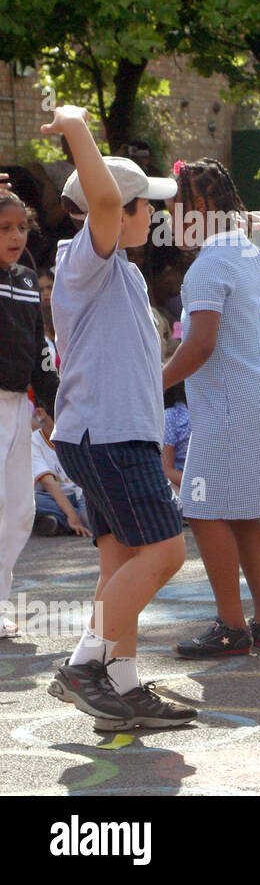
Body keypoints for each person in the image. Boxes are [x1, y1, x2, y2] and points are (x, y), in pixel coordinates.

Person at [42, 106, 196, 731]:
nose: (154, 214)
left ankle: (122, 687)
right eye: (145, 205)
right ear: (117, 210)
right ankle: (85, 665)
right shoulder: (88, 257)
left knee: (122, 561)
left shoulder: (122, 270)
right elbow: (101, 201)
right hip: (106, 438)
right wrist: (78, 126)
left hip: (109, 434)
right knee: (165, 553)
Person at [162, 158, 260, 659]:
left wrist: (151, 384)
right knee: (243, 514)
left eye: (173, 209)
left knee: (202, 507)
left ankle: (231, 627)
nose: (167, 220)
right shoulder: (242, 250)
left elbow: (198, 346)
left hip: (225, 403)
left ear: (197, 207)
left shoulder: (206, 266)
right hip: (254, 392)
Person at [1, 189, 59, 634]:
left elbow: (40, 345)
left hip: (19, 406)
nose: (16, 236)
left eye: (22, 227)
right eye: (4, 228)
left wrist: (51, 399)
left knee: (19, 508)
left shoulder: (25, 279)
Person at [31, 405, 91, 538]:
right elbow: (47, 482)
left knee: (92, 502)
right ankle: (82, 522)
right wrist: (72, 514)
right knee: (30, 499)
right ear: (41, 413)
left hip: (83, 495)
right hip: (54, 498)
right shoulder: (34, 440)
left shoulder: (80, 434)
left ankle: (60, 523)